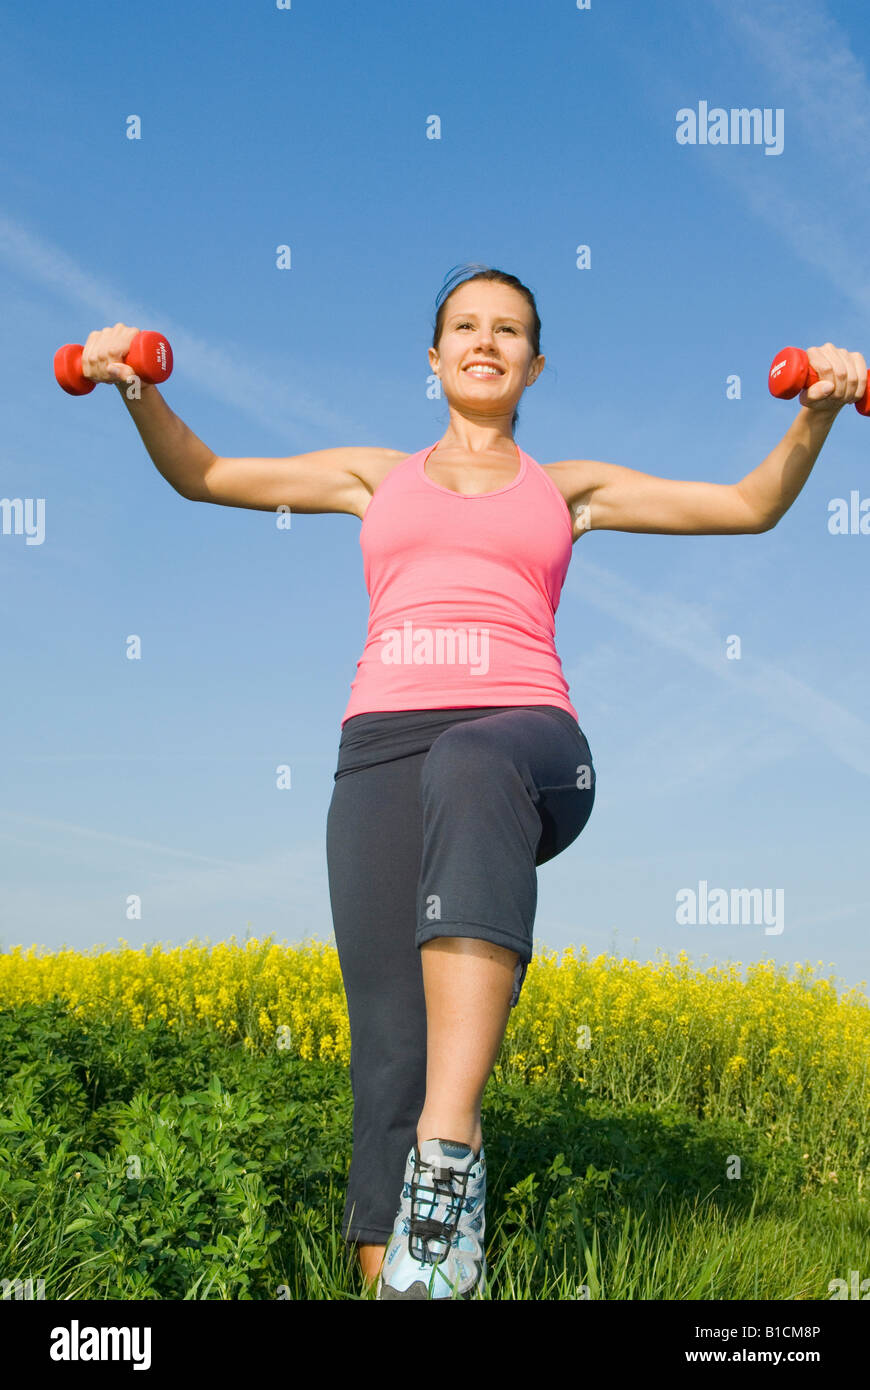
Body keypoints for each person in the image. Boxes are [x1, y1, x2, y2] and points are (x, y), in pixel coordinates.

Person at [82, 266, 866, 1300]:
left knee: (473, 759)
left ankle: (450, 1149)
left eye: (509, 330)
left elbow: (750, 505)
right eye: (464, 326)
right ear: (435, 356)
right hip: (379, 755)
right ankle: (407, 1282)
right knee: (390, 1053)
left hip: (530, 742)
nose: (484, 340)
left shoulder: (567, 487)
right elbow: (207, 473)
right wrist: (134, 385)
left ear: (536, 364)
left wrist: (818, 410)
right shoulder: (375, 475)